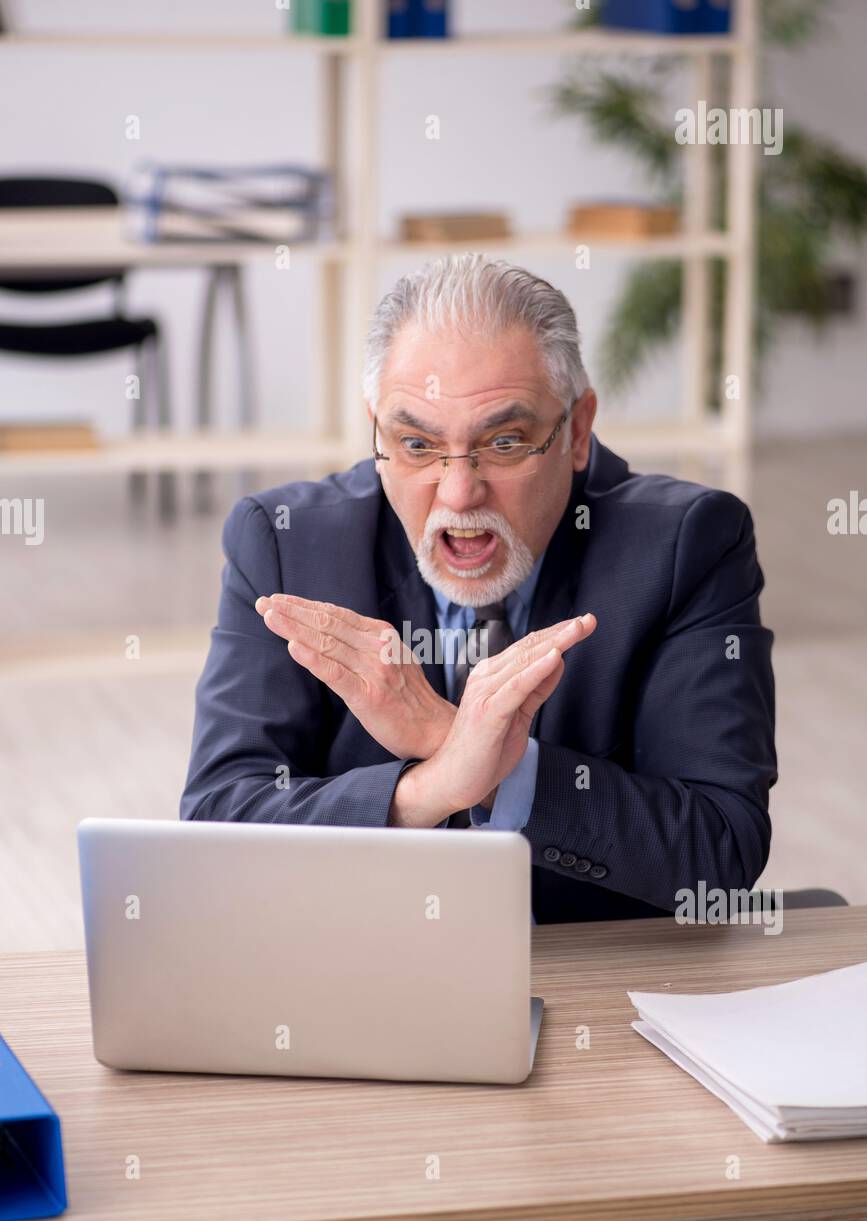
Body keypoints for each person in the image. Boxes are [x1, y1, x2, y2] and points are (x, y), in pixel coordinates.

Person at [181, 254, 776, 924]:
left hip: (592, 975)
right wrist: (429, 786)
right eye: (416, 445)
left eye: (504, 442)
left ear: (576, 431)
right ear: (377, 427)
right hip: (357, 960)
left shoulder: (687, 543)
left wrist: (458, 740)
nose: (458, 493)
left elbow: (719, 852)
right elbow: (218, 823)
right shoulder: (285, 541)